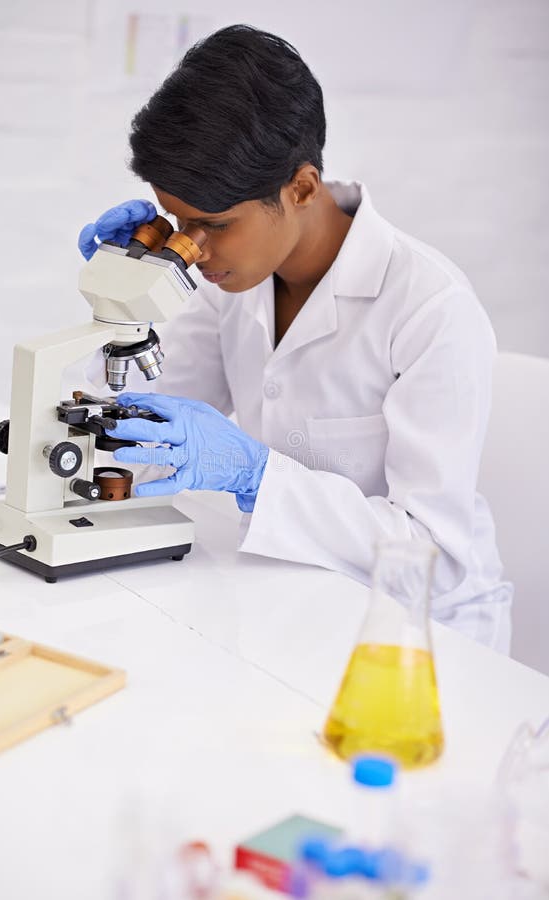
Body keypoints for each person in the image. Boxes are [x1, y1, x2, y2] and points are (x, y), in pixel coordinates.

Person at [78, 25, 512, 653]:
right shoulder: (233, 281)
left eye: (212, 223)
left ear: (302, 188)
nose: (193, 249)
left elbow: (434, 555)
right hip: (290, 605)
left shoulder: (431, 309)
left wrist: (259, 477)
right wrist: (121, 302)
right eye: (177, 222)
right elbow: (134, 432)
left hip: (421, 640)